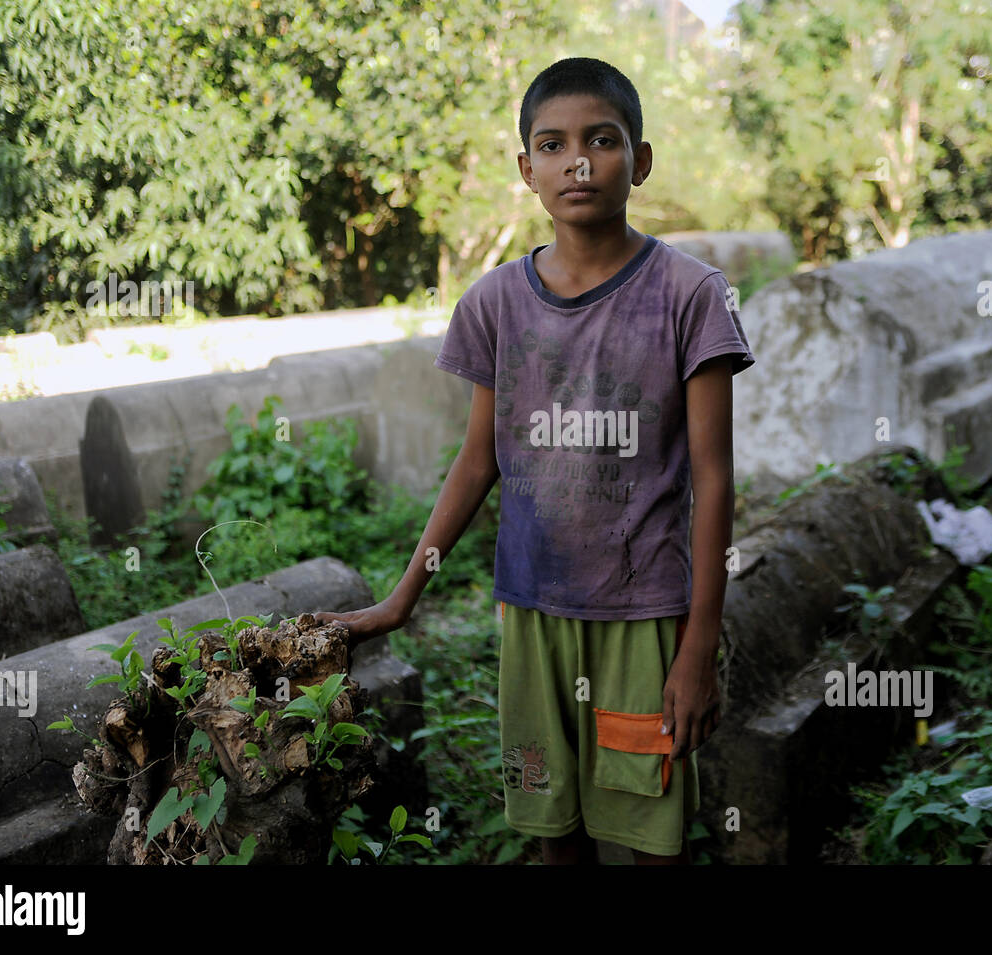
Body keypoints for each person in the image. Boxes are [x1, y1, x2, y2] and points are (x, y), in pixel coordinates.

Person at [314, 56, 755, 865]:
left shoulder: (691, 296)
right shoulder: (493, 303)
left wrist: (699, 646)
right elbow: (477, 462)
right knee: (556, 836)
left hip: (646, 619)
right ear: (527, 169)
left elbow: (714, 475)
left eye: (602, 140)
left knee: (656, 839)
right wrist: (400, 599)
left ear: (641, 161)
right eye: (552, 145)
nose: (578, 162)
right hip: (533, 617)